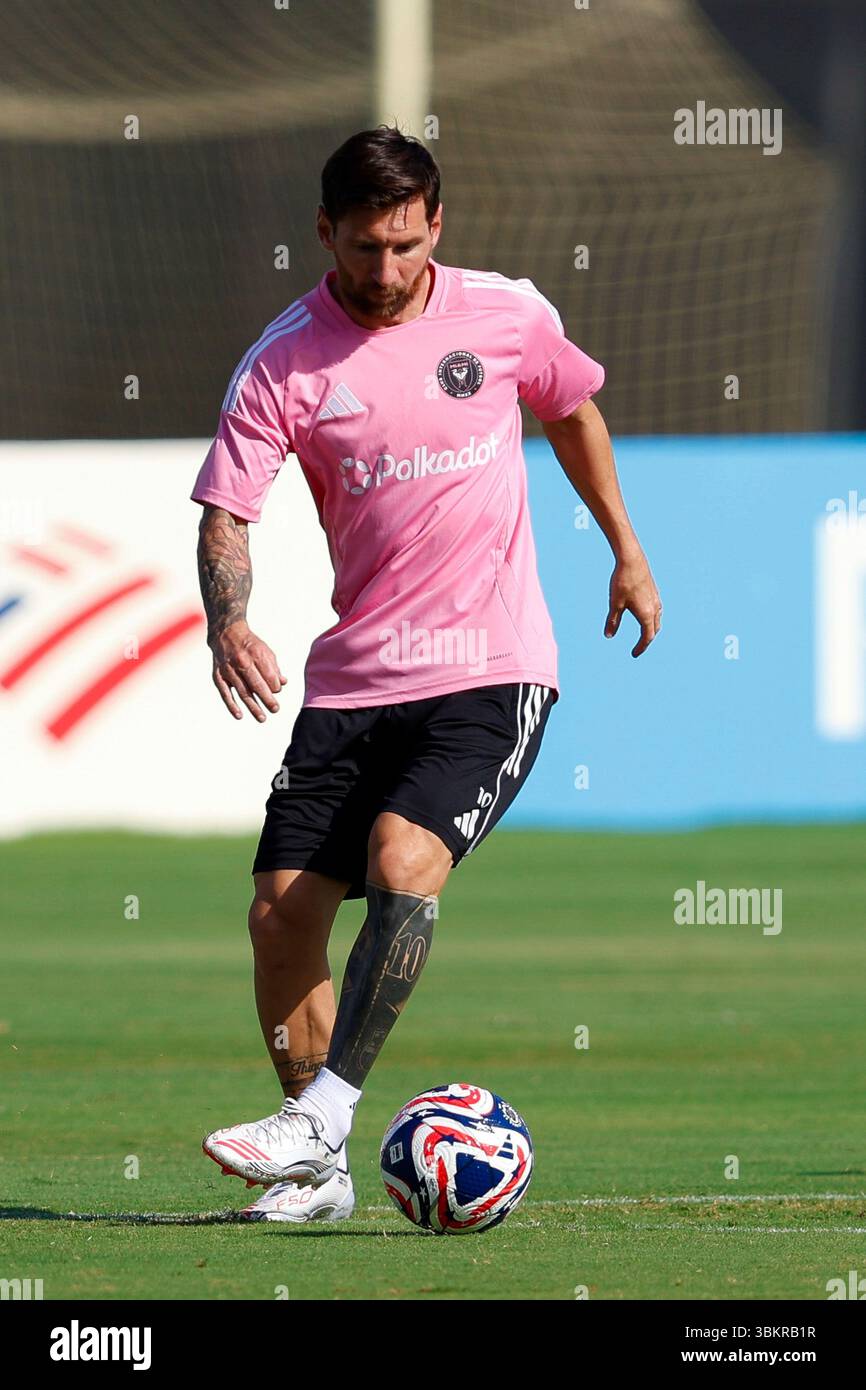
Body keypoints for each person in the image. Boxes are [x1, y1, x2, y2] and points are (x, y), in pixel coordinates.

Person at [191, 125, 661, 1223]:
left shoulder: (505, 313)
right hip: (356, 681)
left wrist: (624, 549)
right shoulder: (281, 361)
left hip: (491, 670)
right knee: (279, 915)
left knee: (404, 860)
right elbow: (227, 511)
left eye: (404, 244)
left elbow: (571, 410)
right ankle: (320, 1174)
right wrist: (231, 620)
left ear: (434, 225)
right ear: (324, 234)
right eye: (363, 247)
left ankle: (323, 1112)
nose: (386, 270)